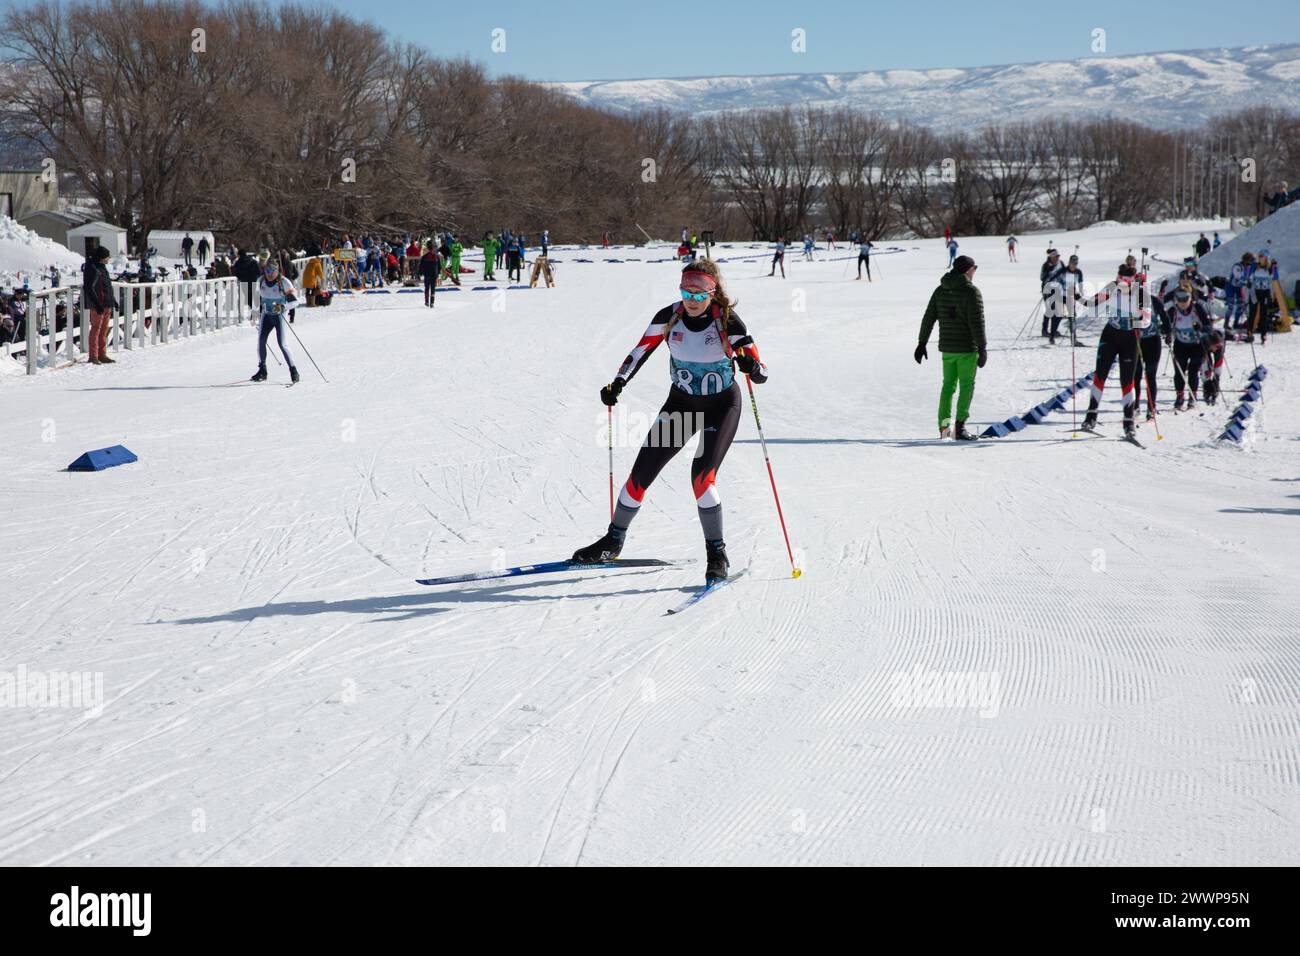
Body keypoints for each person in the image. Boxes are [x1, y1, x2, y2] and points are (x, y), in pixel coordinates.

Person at [571, 260, 767, 584]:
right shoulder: (669, 317)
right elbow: (639, 352)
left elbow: (760, 370)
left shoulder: (727, 322)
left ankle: (716, 553)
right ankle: (613, 541)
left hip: (721, 405)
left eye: (699, 293)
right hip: (682, 405)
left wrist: (752, 367)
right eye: (685, 291)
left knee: (702, 479)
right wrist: (617, 383)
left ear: (712, 291)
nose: (691, 299)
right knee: (640, 475)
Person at [915, 255, 987, 441]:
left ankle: (944, 429)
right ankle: (960, 427)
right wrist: (983, 347)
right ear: (967, 270)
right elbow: (977, 323)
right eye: (974, 268)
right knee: (966, 387)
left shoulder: (940, 290)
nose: (975, 271)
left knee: (948, 387)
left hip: (947, 349)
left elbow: (928, 317)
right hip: (966, 350)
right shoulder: (972, 292)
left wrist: (922, 343)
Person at [1081, 270, 1151, 439]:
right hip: (1110, 335)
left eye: (1126, 283)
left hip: (1130, 338)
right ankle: (1091, 416)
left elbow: (1147, 321)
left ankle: (1128, 422)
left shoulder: (1141, 293)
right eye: (1120, 281)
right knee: (1100, 375)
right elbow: (1092, 302)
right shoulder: (1112, 288)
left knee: (1127, 381)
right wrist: (1074, 297)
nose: (1122, 285)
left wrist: (1139, 314)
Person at [250, 260, 299, 383]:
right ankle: (262, 370)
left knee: (282, 344)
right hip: (266, 315)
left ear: (278, 271)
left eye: (272, 271)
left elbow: (295, 301)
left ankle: (293, 370)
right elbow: (256, 298)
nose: (269, 274)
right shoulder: (260, 281)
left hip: (279, 316)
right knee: (261, 342)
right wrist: (254, 314)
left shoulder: (284, 283)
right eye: (267, 271)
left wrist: (283, 307)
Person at [1166, 288, 1208, 410]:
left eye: (1185, 299)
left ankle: (1192, 396)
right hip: (1180, 345)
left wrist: (1200, 328)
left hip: (1197, 345)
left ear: (1191, 298)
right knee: (1179, 372)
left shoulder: (1197, 309)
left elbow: (1208, 326)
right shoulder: (1173, 311)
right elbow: (1166, 326)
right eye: (1179, 300)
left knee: (1193, 371)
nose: (1183, 302)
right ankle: (1180, 396)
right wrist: (1167, 335)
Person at [82, 246, 115, 364]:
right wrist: (97, 303)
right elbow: (89, 287)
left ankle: (102, 354)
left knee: (104, 330)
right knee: (96, 329)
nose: (108, 259)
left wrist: (113, 300)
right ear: (102, 258)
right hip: (98, 305)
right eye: (107, 257)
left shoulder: (103, 268)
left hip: (107, 303)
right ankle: (93, 356)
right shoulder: (93, 268)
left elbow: (108, 287)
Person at [1040, 248, 1066, 338]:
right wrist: (1050, 271)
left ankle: (1053, 330)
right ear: (1051, 257)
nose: (1057, 258)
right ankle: (1044, 330)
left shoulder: (1061, 263)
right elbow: (1042, 277)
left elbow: (1064, 273)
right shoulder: (1046, 265)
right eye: (1055, 257)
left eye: (1058, 256)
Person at [234, 250, 262, 318]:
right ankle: (259, 311)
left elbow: (236, 272)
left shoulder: (238, 263)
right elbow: (259, 271)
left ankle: (255, 311)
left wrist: (241, 277)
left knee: (249, 299)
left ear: (239, 255)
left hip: (244, 282)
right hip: (254, 281)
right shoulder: (253, 261)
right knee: (256, 298)